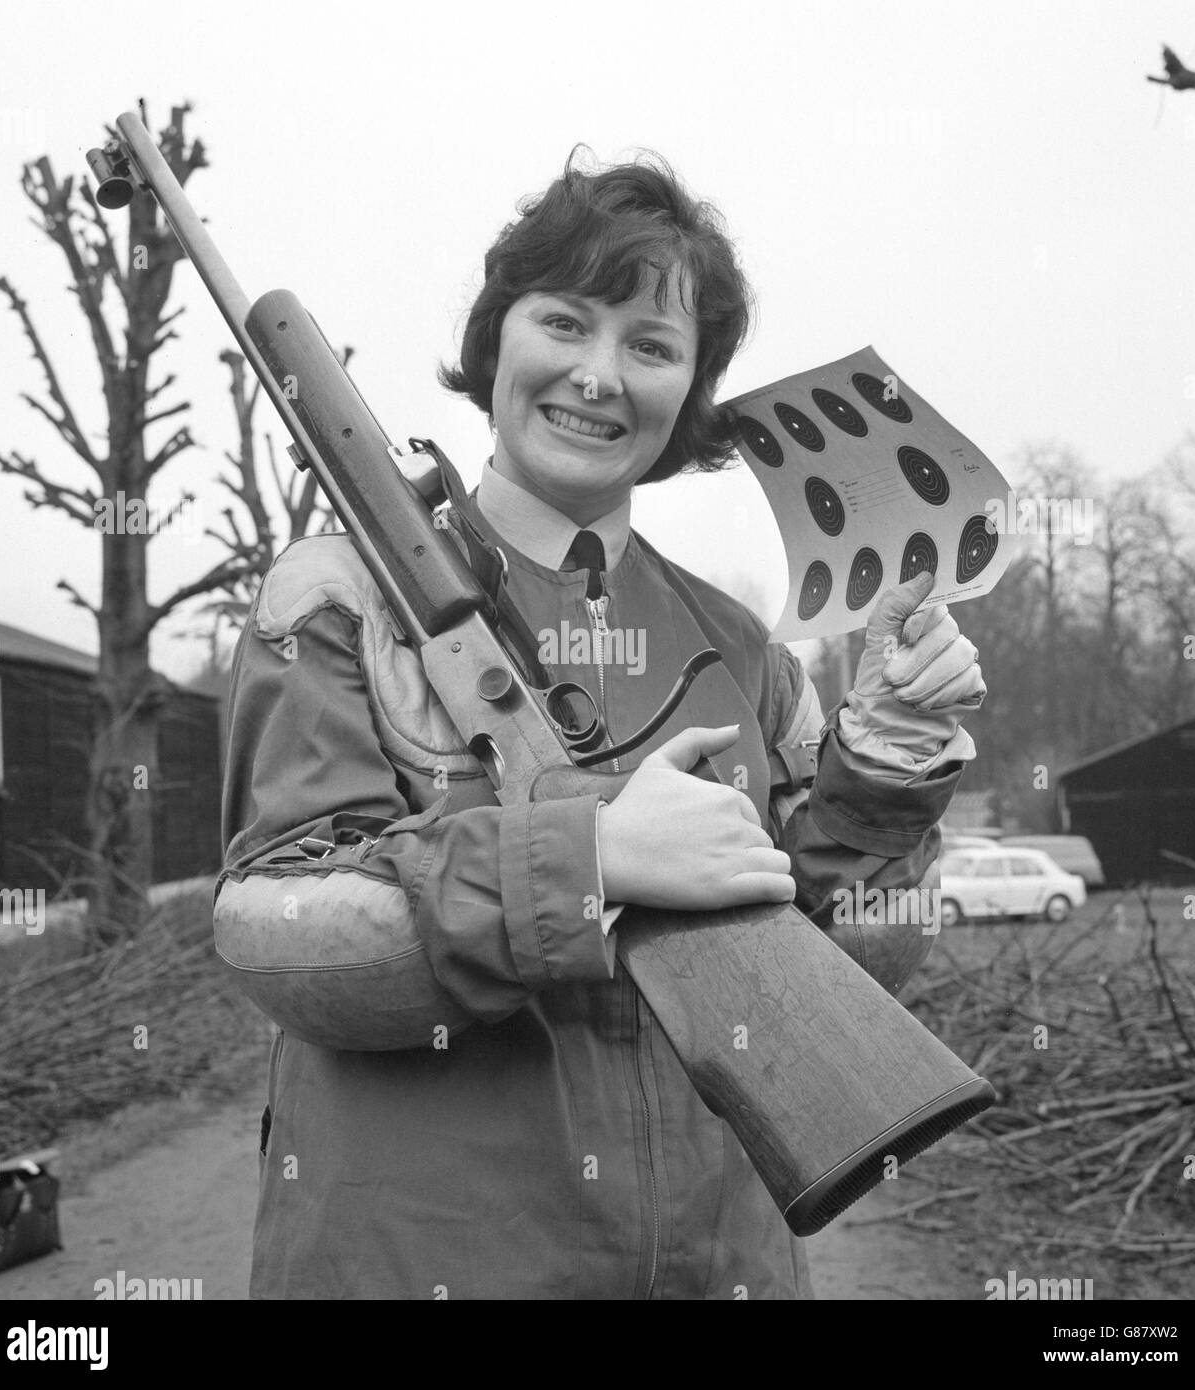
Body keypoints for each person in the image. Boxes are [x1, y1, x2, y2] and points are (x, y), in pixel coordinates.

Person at [213, 149, 986, 1300]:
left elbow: (839, 956)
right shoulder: (332, 597)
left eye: (651, 345)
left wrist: (882, 771)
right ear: (495, 339)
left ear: (690, 392)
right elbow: (282, 938)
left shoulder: (742, 644)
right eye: (564, 321)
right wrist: (591, 861)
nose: (597, 374)